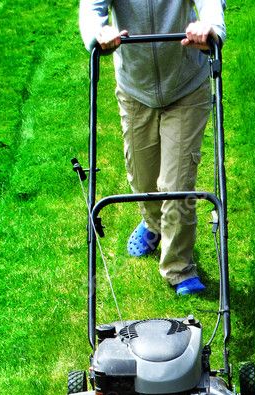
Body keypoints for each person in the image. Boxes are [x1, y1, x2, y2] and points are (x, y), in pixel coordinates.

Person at [79, 1, 227, 296]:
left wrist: (211, 27)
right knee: (142, 177)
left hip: (186, 85)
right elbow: (92, 7)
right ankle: (154, 224)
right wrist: (98, 33)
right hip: (135, 87)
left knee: (176, 183)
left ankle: (179, 267)